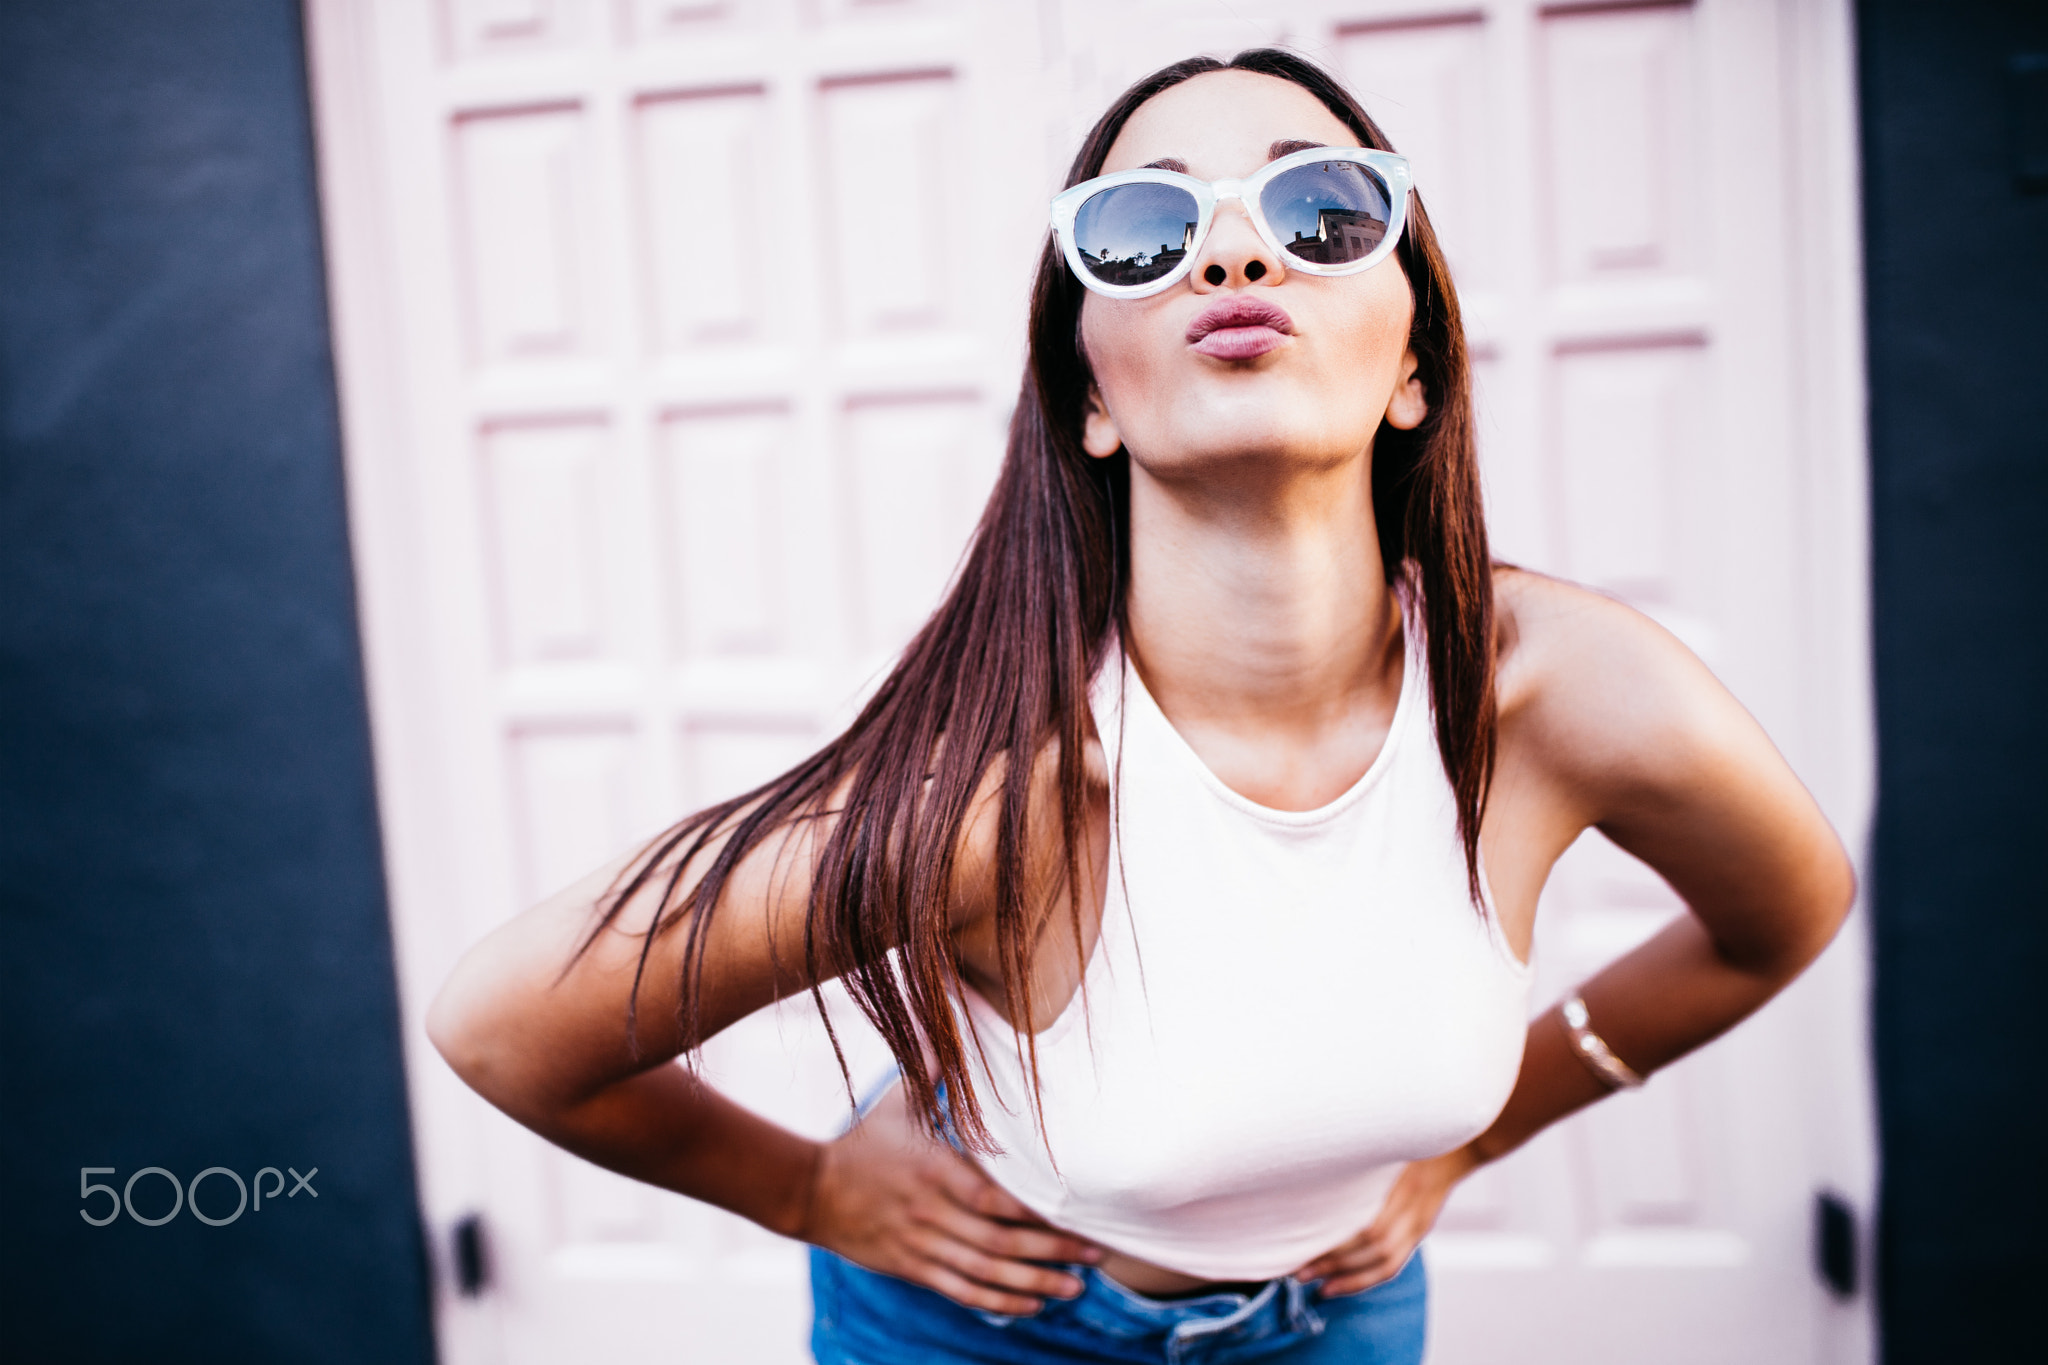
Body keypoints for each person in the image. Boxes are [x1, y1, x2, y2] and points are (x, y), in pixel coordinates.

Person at [427, 49, 1855, 1365]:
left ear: (1416, 363)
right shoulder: (1012, 791)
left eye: (1324, 210)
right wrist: (803, 1185)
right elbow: (508, 1024)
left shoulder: (1558, 693)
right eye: (1142, 231)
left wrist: (1477, 1144)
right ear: (1090, 394)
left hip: (1343, 1317)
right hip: (984, 1328)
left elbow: (1781, 914)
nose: (1234, 249)